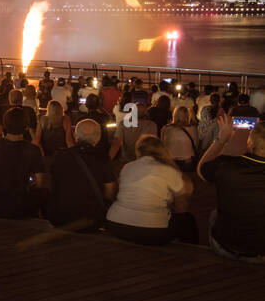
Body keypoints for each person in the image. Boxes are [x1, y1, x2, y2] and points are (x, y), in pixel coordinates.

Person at [106, 135, 197, 245]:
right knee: (187, 220)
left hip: (116, 224)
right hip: (152, 230)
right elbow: (181, 206)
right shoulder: (169, 170)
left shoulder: (128, 167)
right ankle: (190, 251)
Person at [198, 115, 265, 261]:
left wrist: (221, 140)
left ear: (250, 143)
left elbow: (202, 170)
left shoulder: (226, 165)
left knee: (214, 215)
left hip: (227, 247)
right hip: (262, 251)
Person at [47, 118, 117, 233]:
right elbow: (109, 193)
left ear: (75, 136)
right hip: (89, 221)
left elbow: (52, 184)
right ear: (98, 138)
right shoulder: (103, 159)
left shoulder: (59, 155)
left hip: (59, 217)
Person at [0, 107, 48, 219]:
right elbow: (40, 182)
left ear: (4, 125)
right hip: (21, 207)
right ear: (26, 126)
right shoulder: (33, 150)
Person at [161, 105, 197, 172]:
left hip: (170, 160)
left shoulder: (166, 128)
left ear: (175, 115)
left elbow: (162, 144)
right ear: (187, 116)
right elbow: (195, 145)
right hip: (187, 161)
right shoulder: (193, 129)